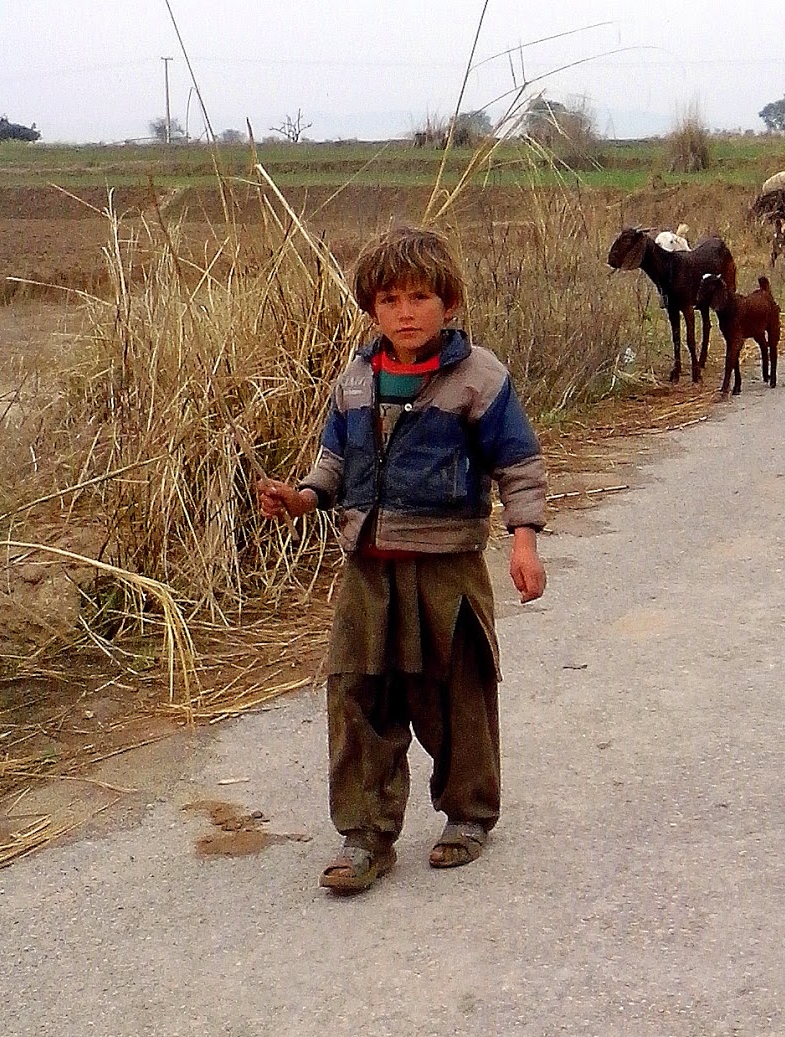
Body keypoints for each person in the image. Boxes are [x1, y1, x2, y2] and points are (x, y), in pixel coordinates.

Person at [257, 225, 547, 895]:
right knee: (358, 694)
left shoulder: (479, 377)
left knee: (457, 694)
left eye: (420, 297)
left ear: (449, 302)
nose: (405, 312)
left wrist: (524, 539)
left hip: (447, 567)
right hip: (368, 569)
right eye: (390, 300)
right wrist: (302, 497)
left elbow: (518, 463)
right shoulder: (357, 380)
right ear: (371, 308)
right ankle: (365, 835)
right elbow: (333, 463)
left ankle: (468, 815)